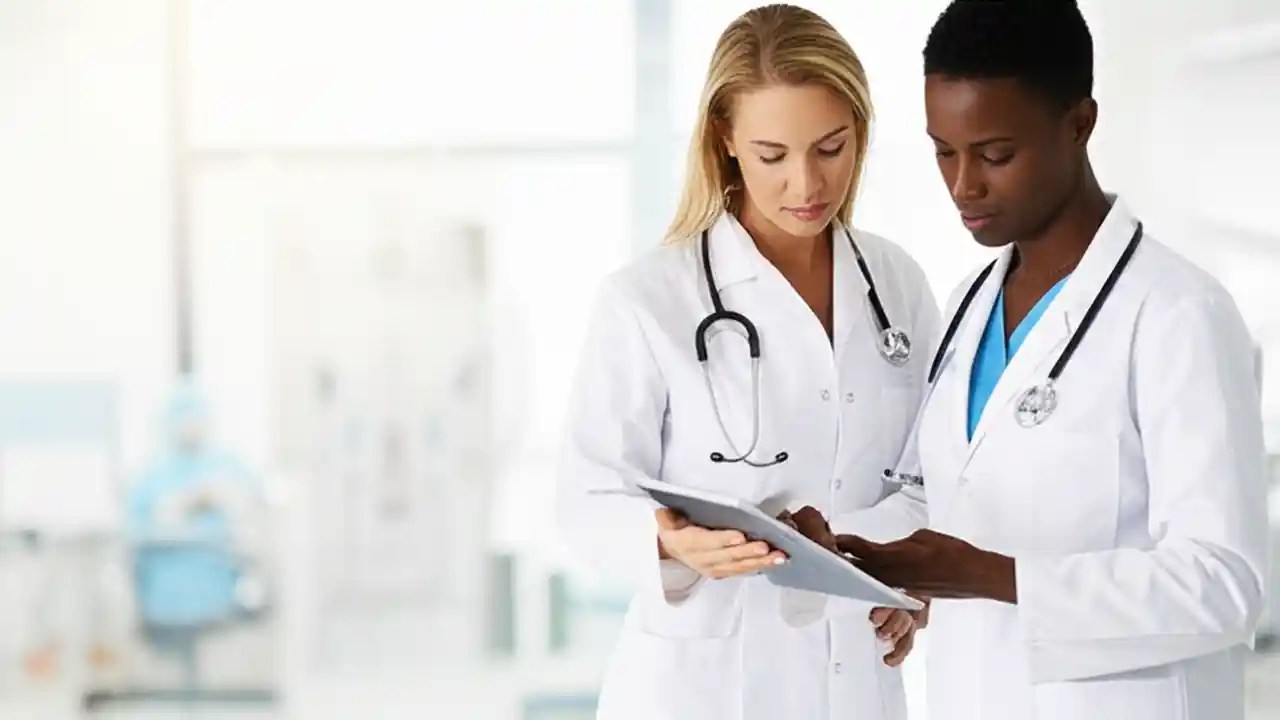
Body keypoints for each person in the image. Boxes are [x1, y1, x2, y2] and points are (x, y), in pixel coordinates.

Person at [804, 2, 1269, 719]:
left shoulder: (1178, 313)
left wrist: (993, 576)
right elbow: (944, 501)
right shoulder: (969, 302)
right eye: (944, 152)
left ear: (1080, 123)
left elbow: (1227, 585)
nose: (964, 185)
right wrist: (831, 543)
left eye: (995, 155)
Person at [555, 5, 941, 719]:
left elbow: (928, 481)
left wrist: (895, 579)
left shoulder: (896, 285)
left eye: (831, 147)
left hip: (853, 674)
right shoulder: (648, 300)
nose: (806, 184)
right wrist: (670, 542)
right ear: (724, 139)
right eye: (773, 155)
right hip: (700, 685)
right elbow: (587, 500)